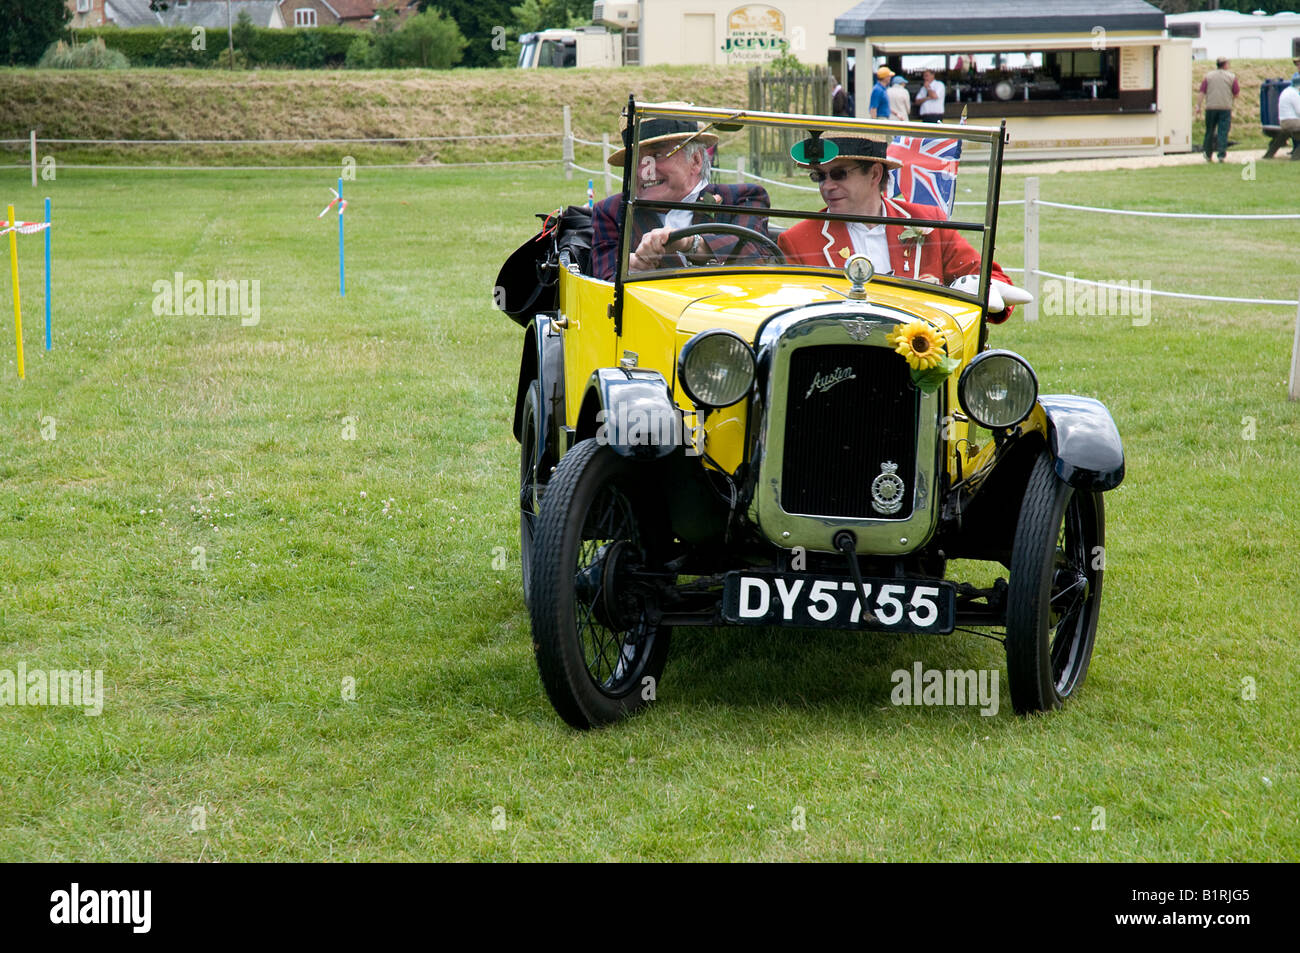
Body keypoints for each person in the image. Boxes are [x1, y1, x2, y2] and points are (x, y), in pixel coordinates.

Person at [775, 136, 1022, 319]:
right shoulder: (798, 240)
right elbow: (794, 316)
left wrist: (952, 292)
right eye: (819, 176)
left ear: (874, 174)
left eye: (838, 174)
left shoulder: (928, 221)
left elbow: (992, 280)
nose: (826, 186)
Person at [590, 106, 770, 281]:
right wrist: (633, 268)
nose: (643, 171)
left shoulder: (743, 197)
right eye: (636, 160)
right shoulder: (613, 211)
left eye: (656, 155)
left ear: (696, 160)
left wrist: (689, 243)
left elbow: (756, 254)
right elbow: (604, 285)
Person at [1196, 57, 1239, 163]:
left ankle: (1207, 154)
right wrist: (1230, 100)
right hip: (1225, 108)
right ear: (1225, 65)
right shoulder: (1231, 77)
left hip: (1210, 107)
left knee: (1209, 131)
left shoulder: (1208, 76)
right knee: (1223, 132)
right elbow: (1236, 93)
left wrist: (1198, 106)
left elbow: (1202, 92)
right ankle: (1221, 155)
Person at [1263, 73, 1300, 160]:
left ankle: (1269, 154)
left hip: (1283, 121)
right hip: (1291, 122)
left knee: (1283, 135)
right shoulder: (1294, 94)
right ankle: (1296, 157)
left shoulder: (1286, 91)